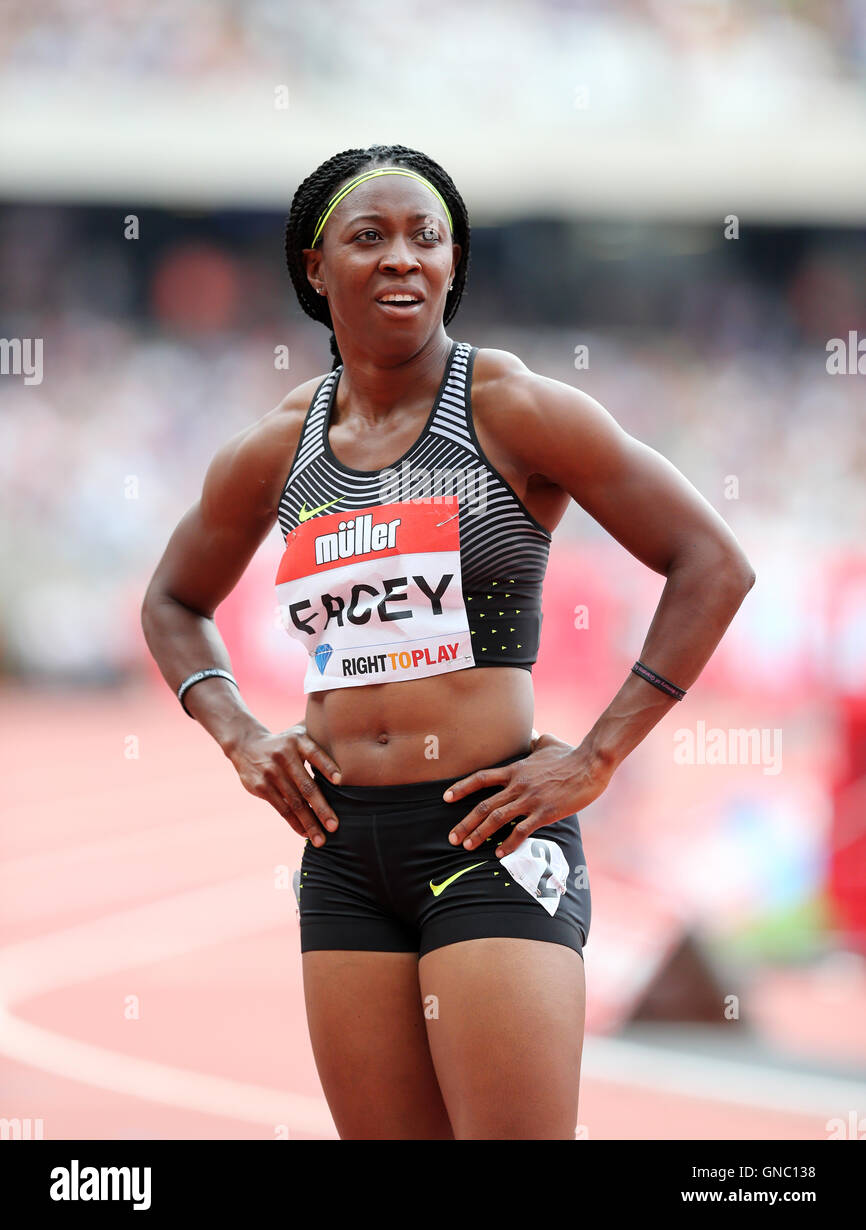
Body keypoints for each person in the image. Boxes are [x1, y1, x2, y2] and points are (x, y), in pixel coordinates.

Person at [141, 143, 756, 1140]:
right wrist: (239, 734)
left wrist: (597, 755)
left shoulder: (510, 409)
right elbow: (172, 598)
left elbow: (710, 560)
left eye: (426, 238)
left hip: (485, 833)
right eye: (369, 237)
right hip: (340, 849)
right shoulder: (278, 446)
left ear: (452, 263)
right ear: (314, 265)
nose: (402, 259)